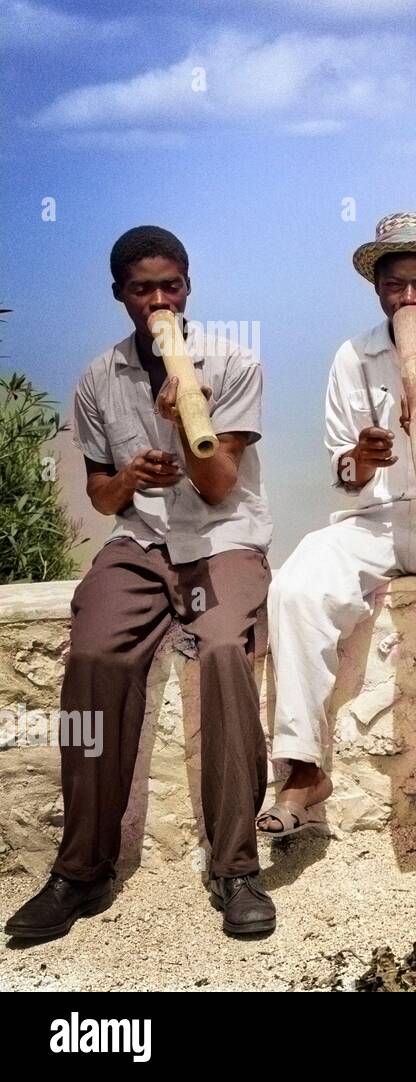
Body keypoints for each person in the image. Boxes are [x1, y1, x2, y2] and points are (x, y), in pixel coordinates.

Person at [4, 225, 276, 940]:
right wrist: (132, 476)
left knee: (221, 652)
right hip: (141, 539)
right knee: (94, 658)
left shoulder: (235, 362)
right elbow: (99, 496)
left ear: (188, 285)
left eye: (171, 286)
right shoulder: (98, 379)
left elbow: (218, 488)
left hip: (221, 540)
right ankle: (80, 870)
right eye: (142, 288)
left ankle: (236, 867)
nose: (159, 300)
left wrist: (187, 429)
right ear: (119, 294)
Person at [263, 212, 416, 852]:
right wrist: (365, 456)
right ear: (378, 289)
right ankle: (301, 771)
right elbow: (343, 475)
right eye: (397, 286)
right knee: (295, 591)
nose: (410, 298)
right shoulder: (352, 356)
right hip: (372, 518)